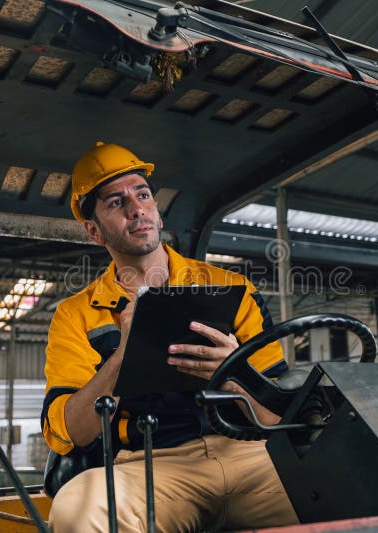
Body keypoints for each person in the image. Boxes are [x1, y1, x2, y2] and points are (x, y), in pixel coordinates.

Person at [42, 142, 299, 532]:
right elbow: (74, 433)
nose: (136, 209)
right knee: (77, 509)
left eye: (143, 195)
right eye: (116, 202)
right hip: (151, 468)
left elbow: (278, 417)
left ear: (157, 212)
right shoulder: (75, 315)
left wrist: (233, 374)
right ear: (94, 231)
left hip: (251, 456)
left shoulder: (233, 288)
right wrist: (123, 356)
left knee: (353, 482)